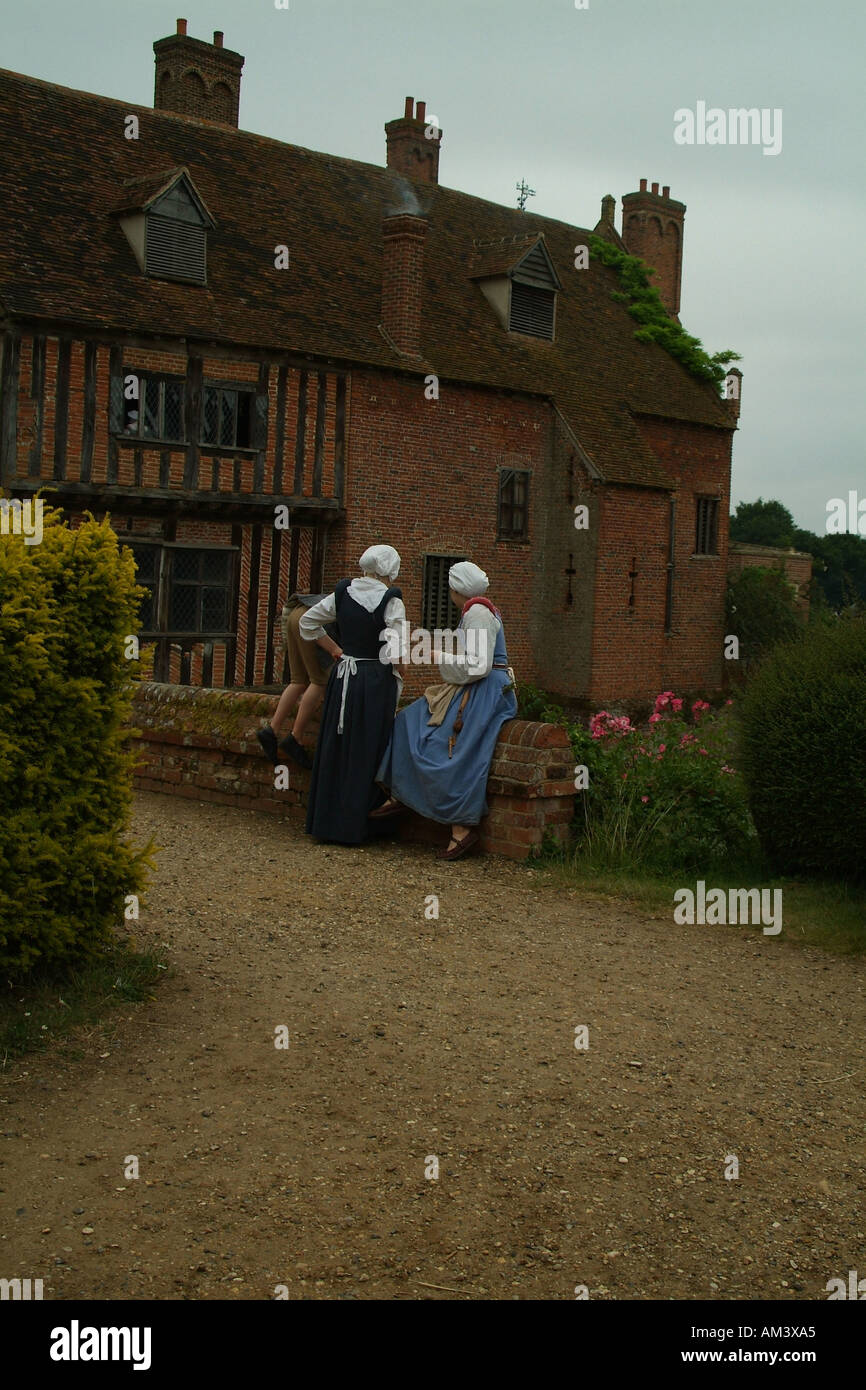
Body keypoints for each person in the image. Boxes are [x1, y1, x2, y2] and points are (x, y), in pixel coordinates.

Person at [373, 561, 517, 860]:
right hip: (479, 686)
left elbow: (479, 666)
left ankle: (461, 829)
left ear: (455, 590)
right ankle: (399, 791)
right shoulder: (477, 610)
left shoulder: (478, 613)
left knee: (458, 751)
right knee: (409, 721)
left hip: (487, 691)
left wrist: (439, 655)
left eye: (450, 587)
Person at [300, 544, 405, 844]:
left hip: (344, 676)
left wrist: (335, 650)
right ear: (389, 570)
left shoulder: (343, 592)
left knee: (337, 744)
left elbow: (308, 622)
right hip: (373, 680)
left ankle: (328, 824)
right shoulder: (391, 600)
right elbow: (397, 651)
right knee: (368, 746)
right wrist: (403, 678)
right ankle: (359, 827)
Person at [257, 596, 339, 770]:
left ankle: (272, 729)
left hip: (295, 613)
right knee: (319, 681)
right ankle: (296, 737)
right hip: (312, 618)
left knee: (298, 680)